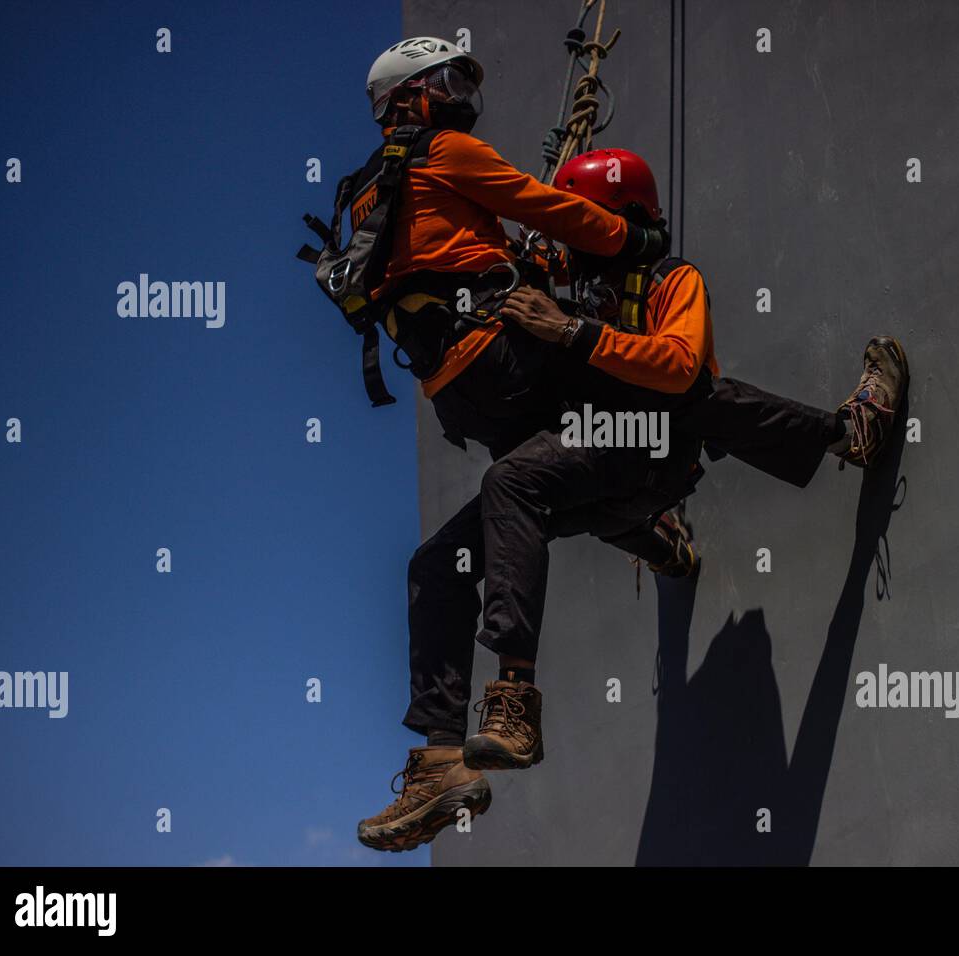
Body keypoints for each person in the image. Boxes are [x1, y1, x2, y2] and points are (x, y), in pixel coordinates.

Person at [358, 145, 908, 853]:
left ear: (625, 222)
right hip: (600, 473)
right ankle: (440, 763)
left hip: (659, 450)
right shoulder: (562, 279)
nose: (572, 249)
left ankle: (848, 433)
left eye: (587, 230)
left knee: (678, 410)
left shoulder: (669, 281)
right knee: (439, 562)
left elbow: (679, 367)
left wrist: (569, 332)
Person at [341, 38, 697, 853]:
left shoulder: (370, 194)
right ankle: (478, 731)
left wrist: (515, 263)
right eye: (450, 78)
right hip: (507, 354)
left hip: (462, 398)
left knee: (466, 542)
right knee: (602, 439)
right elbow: (552, 208)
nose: (464, 91)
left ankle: (439, 760)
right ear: (411, 96)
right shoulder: (444, 151)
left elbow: (451, 259)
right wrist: (632, 242)